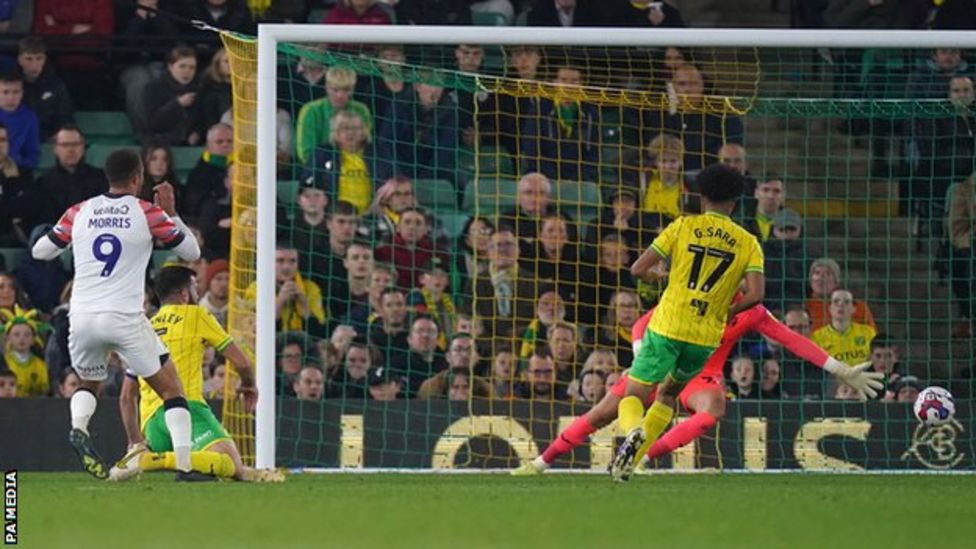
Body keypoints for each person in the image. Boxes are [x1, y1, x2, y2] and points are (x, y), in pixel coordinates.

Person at [513, 298, 883, 475]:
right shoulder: (693, 295)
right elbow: (643, 322)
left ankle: (638, 455)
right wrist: (644, 358)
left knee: (713, 410)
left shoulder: (752, 311)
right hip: (657, 365)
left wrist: (840, 369)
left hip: (701, 376)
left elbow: (791, 339)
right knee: (600, 413)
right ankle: (539, 463)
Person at [30, 149, 202, 480]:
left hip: (80, 317)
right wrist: (173, 214)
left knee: (89, 382)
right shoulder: (146, 212)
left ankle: (79, 428)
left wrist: (66, 239)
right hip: (124, 316)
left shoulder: (79, 211)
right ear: (137, 177)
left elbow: (41, 251)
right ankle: (185, 464)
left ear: (107, 177)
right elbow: (191, 252)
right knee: (171, 390)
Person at [609, 163, 764, 481]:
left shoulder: (682, 227)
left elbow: (637, 269)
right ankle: (631, 463)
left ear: (702, 197)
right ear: (734, 202)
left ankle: (635, 432)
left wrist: (662, 274)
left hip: (668, 325)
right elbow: (755, 294)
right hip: (705, 336)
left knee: (634, 395)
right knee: (668, 395)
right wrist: (727, 312)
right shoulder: (748, 242)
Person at [109, 266, 279, 482]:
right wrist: (249, 385)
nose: (198, 294)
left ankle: (153, 456)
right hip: (187, 410)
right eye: (195, 288)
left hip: (152, 427)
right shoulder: (196, 315)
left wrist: (135, 441)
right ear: (184, 294)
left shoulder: (146, 328)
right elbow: (242, 362)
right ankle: (150, 460)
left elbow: (126, 397)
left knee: (212, 467)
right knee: (231, 464)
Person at [812, 288, 877, 369]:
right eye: (836, 301)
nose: (841, 305)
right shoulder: (817, 337)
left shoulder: (868, 332)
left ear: (854, 309)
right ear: (829, 308)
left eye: (846, 302)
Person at [805, 257, 876, 331]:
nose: (821, 277)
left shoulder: (859, 308)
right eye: (817, 273)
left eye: (828, 273)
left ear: (836, 281)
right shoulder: (804, 307)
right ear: (810, 280)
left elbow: (872, 336)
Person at [1, 306, 49, 396]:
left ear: (34, 339)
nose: (22, 338)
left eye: (27, 335)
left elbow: (44, 392)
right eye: (16, 334)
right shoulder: (4, 363)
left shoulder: (40, 365)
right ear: (8, 338)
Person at [0, 71, 40, 170]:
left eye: (16, 92)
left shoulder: (29, 117)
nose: (11, 97)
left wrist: (16, 162)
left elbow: (33, 155)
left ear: (22, 93)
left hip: (16, 168)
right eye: (5, 92)